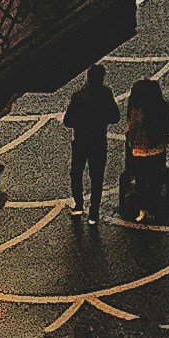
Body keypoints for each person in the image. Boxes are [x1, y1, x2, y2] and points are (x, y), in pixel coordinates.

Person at [67, 60, 119, 222]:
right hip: (98, 142)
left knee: (76, 173)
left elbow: (67, 121)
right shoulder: (106, 94)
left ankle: (78, 204)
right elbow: (115, 117)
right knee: (97, 177)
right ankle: (94, 212)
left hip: (81, 141)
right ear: (101, 78)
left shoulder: (78, 96)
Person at [122, 74, 169, 225]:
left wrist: (131, 142)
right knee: (155, 180)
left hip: (139, 151)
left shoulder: (136, 109)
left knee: (140, 180)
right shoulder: (162, 106)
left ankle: (142, 209)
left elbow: (131, 130)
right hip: (158, 150)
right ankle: (154, 208)